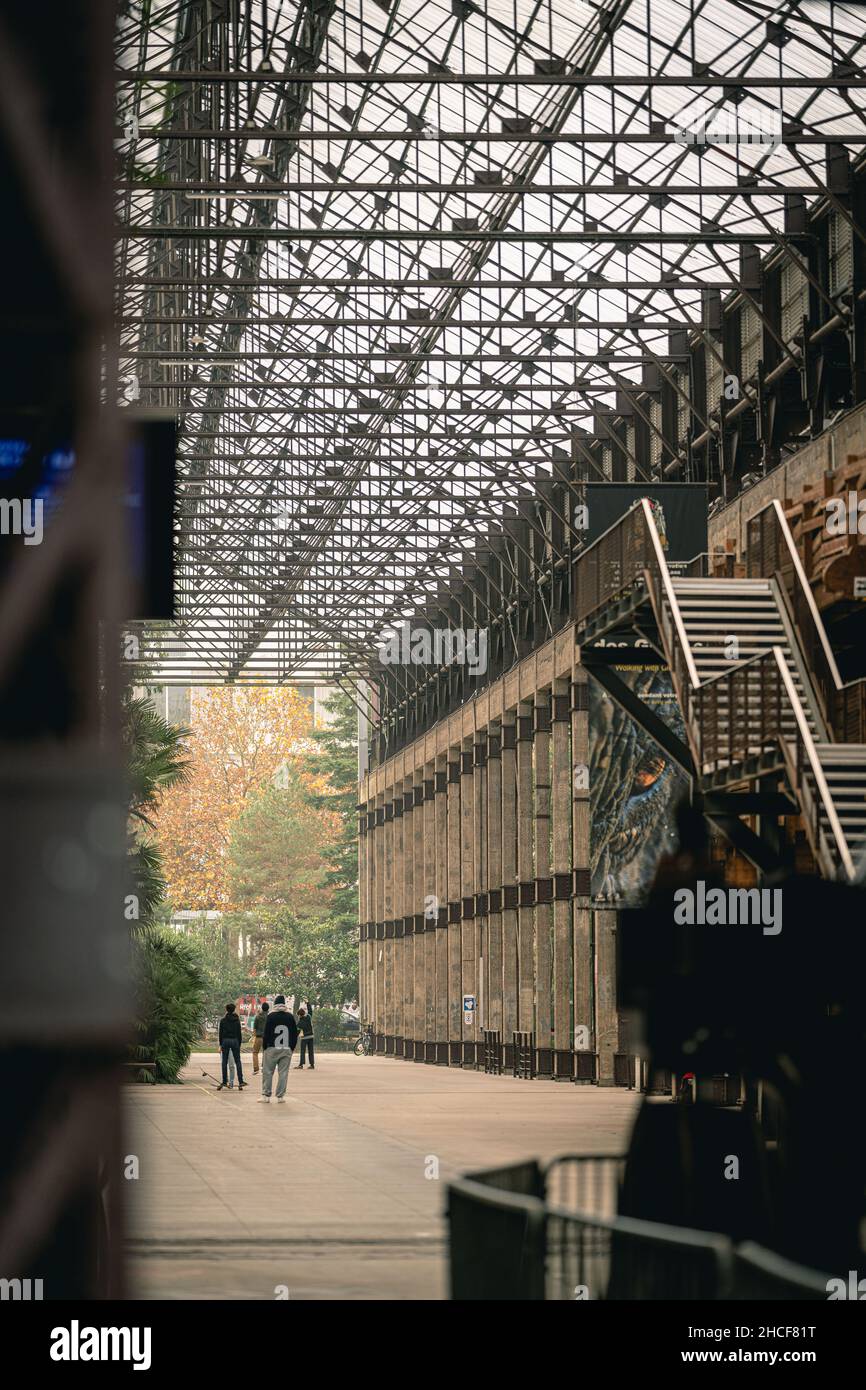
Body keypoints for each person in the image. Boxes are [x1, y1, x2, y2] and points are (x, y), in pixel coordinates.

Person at [258, 994, 298, 1103]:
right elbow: (295, 1033)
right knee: (283, 1073)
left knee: (268, 1072)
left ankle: (266, 1095)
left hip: (272, 1047)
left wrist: (265, 1047)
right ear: (284, 1004)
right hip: (286, 1048)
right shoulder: (290, 1017)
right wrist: (291, 1047)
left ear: (275, 1004)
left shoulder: (271, 1016)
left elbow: (266, 1033)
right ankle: (280, 1097)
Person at [218, 1003, 245, 1091]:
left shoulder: (223, 1021)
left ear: (226, 1009)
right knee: (237, 1061)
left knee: (224, 1062)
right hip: (235, 1040)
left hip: (225, 1041)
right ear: (233, 1010)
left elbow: (220, 1034)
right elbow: (239, 1034)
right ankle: (241, 1081)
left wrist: (220, 1044)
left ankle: (224, 1081)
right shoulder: (237, 1020)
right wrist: (239, 1044)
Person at [251, 1000, 269, 1075]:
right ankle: (264, 1068)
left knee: (255, 1052)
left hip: (258, 1037)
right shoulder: (269, 1017)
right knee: (265, 1053)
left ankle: (256, 1069)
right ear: (268, 1009)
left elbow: (254, 1028)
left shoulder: (258, 1017)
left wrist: (254, 1037)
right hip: (267, 1038)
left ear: (262, 1008)